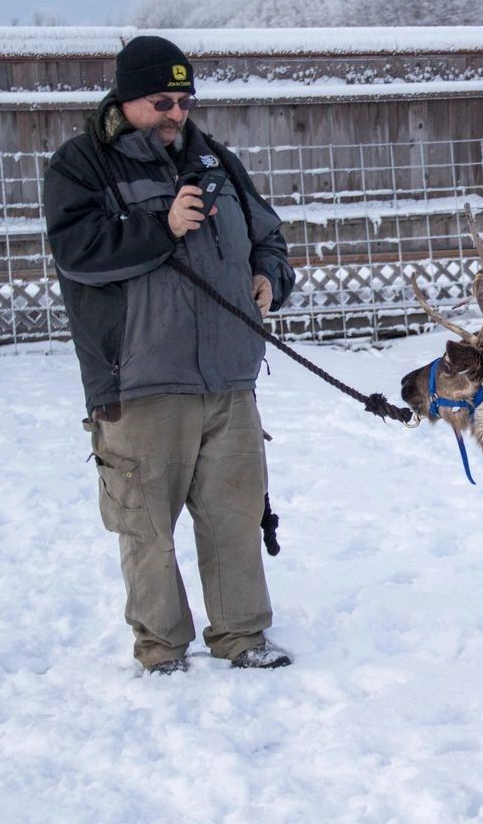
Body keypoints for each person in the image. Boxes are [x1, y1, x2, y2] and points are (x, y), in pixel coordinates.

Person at [44, 35, 295, 675]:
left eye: (184, 101)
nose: (176, 114)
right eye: (162, 101)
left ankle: (241, 635)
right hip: (141, 381)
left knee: (234, 517)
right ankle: (161, 650)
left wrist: (270, 274)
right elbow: (80, 254)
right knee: (147, 529)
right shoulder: (82, 165)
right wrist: (161, 228)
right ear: (128, 99)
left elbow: (268, 234)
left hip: (228, 379)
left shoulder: (215, 160)